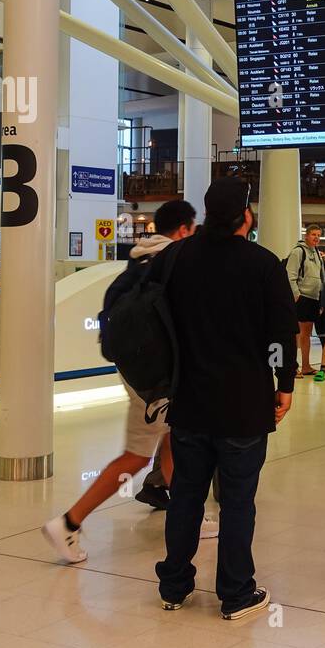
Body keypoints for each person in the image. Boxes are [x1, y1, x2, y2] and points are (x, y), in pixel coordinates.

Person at [148, 177, 299, 619]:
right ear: (246, 216)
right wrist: (283, 382)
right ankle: (235, 593)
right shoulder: (262, 264)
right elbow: (280, 336)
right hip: (244, 405)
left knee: (186, 498)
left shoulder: (176, 257)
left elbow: (155, 319)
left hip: (190, 403)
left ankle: (174, 585)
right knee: (236, 501)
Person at [42, 200, 208, 564]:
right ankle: (69, 522)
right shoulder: (176, 263)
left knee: (170, 440)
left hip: (138, 371)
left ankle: (191, 516)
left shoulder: (139, 261)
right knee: (136, 455)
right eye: (193, 229)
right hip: (160, 379)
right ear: (183, 230)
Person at [285, 223, 325, 377]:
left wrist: (322, 297)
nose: (316, 238)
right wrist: (296, 294)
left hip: (314, 298)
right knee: (298, 334)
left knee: (306, 334)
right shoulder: (298, 252)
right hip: (302, 297)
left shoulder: (316, 253)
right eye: (313, 234)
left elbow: (321, 277)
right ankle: (293, 367)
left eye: (318, 235)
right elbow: (290, 275)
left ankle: (307, 366)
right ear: (306, 236)